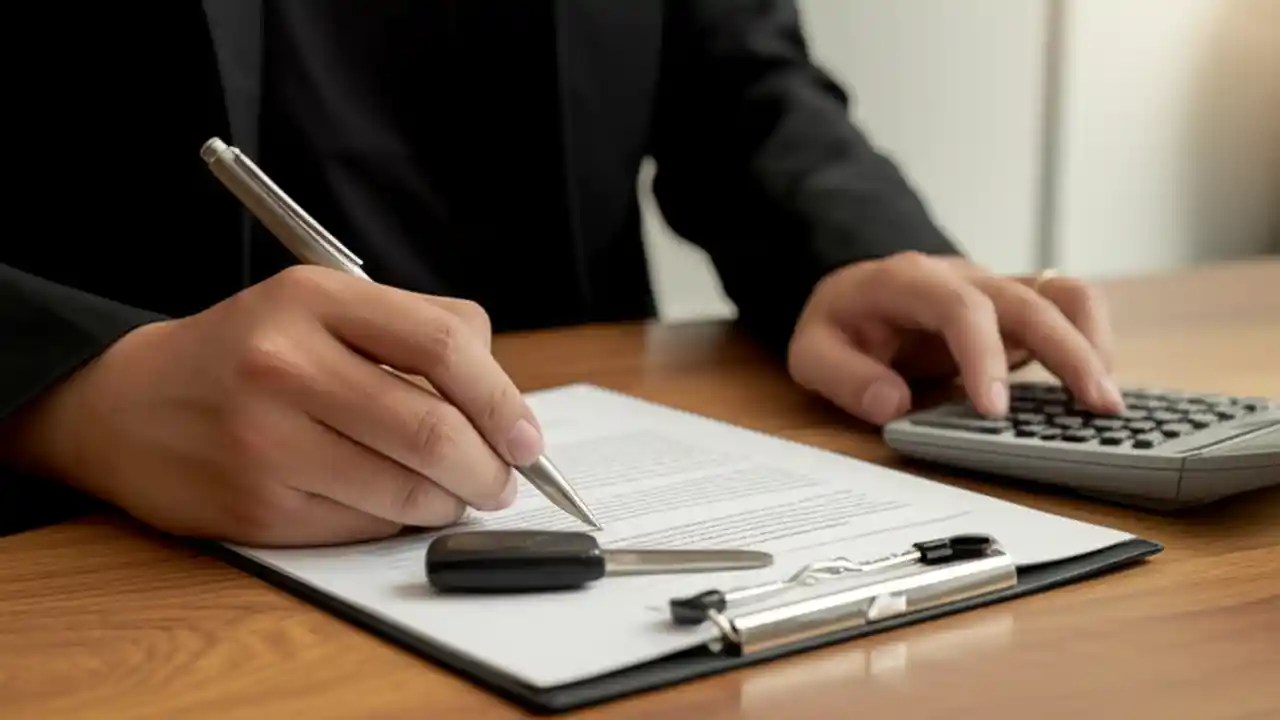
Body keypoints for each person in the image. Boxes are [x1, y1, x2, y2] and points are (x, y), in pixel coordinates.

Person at [0, 2, 1122, 545]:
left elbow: (740, 77)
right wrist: (66, 386)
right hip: (100, 549)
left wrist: (861, 250)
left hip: (577, 425)